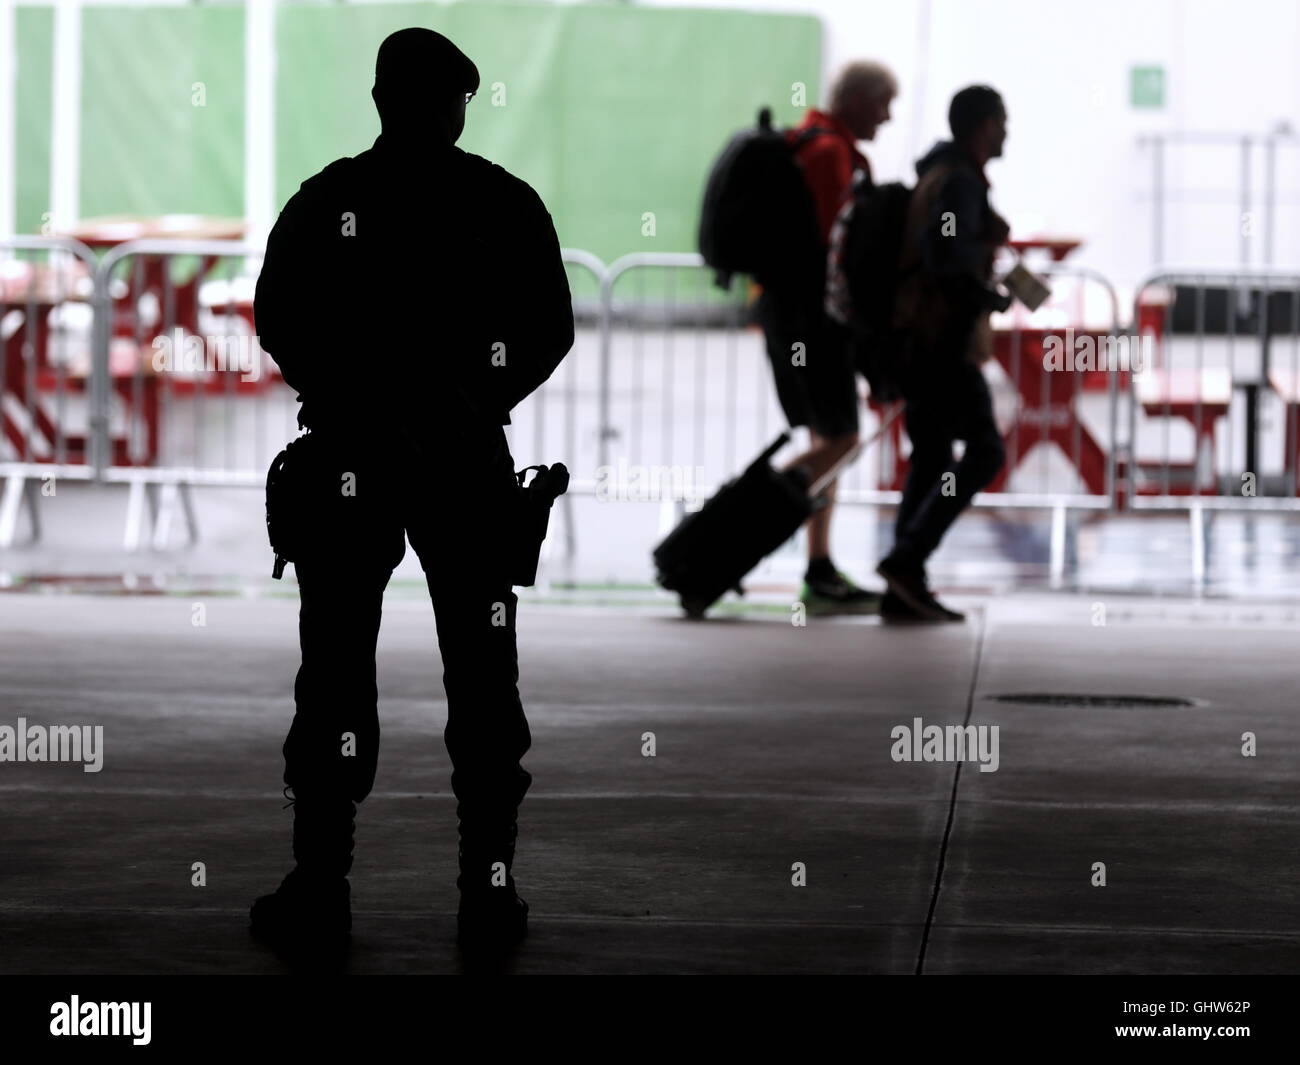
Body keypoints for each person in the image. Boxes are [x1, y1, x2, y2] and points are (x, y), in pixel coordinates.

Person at [249, 27, 574, 954]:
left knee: (336, 672)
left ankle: (320, 886)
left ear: (382, 98)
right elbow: (547, 326)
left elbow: (279, 317)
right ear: (454, 103)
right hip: (465, 467)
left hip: (350, 461)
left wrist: (354, 400)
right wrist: (472, 398)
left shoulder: (330, 199)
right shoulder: (502, 203)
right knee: (482, 679)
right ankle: (487, 891)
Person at [758, 61, 897, 615]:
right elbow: (837, 246)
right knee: (838, 441)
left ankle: (819, 567)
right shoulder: (827, 154)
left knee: (832, 438)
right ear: (859, 101)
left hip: (801, 317)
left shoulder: (815, 143)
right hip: (811, 320)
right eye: (883, 104)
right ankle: (745, 509)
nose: (887, 117)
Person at [876, 85, 1012, 622]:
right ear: (981, 126)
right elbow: (943, 252)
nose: (1007, 133)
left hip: (920, 342)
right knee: (984, 452)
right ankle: (908, 559)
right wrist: (989, 294)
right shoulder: (957, 182)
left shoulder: (943, 174)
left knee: (932, 457)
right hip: (941, 345)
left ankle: (902, 585)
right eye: (1003, 122)